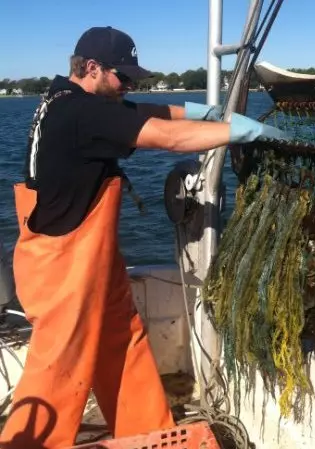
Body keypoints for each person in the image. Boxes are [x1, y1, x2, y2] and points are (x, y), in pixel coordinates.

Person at [0, 26, 289, 449]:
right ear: (93, 68)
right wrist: (244, 132)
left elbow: (146, 111)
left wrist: (203, 111)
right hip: (61, 265)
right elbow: (169, 138)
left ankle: (146, 433)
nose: (129, 85)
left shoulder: (70, 99)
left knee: (123, 340)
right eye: (124, 76)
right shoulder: (82, 114)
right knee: (59, 369)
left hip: (91, 255)